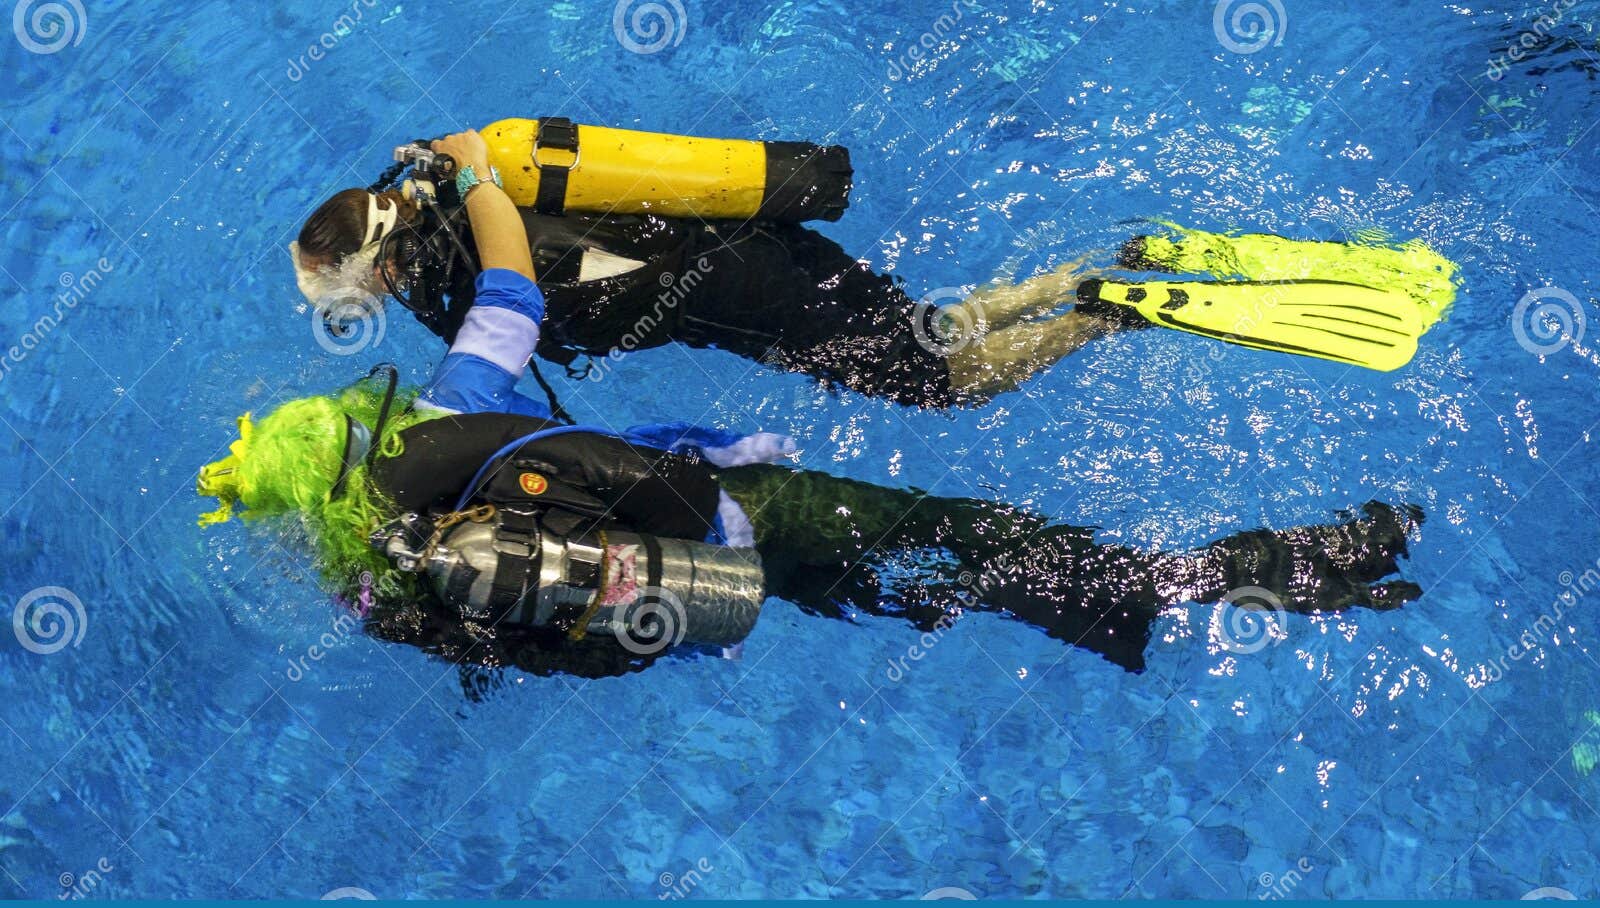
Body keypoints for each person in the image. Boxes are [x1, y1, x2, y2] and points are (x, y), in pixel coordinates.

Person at [207, 137, 1426, 677]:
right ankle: (1219, 553)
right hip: (751, 479)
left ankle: (1116, 330)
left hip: (736, 549)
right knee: (977, 525)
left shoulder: (383, 579)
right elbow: (514, 288)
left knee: (958, 479)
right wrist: (472, 173)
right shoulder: (455, 392)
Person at [291, 130, 1456, 410]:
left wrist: (479, 189)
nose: (364, 310)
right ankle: (1106, 267)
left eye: (350, 294)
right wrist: (455, 169)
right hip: (752, 257)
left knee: (945, 385)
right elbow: (475, 170)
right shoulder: (446, 200)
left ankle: (1116, 306)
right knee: (937, 328)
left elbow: (516, 290)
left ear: (375, 272)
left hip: (751, 295)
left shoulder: (475, 253)